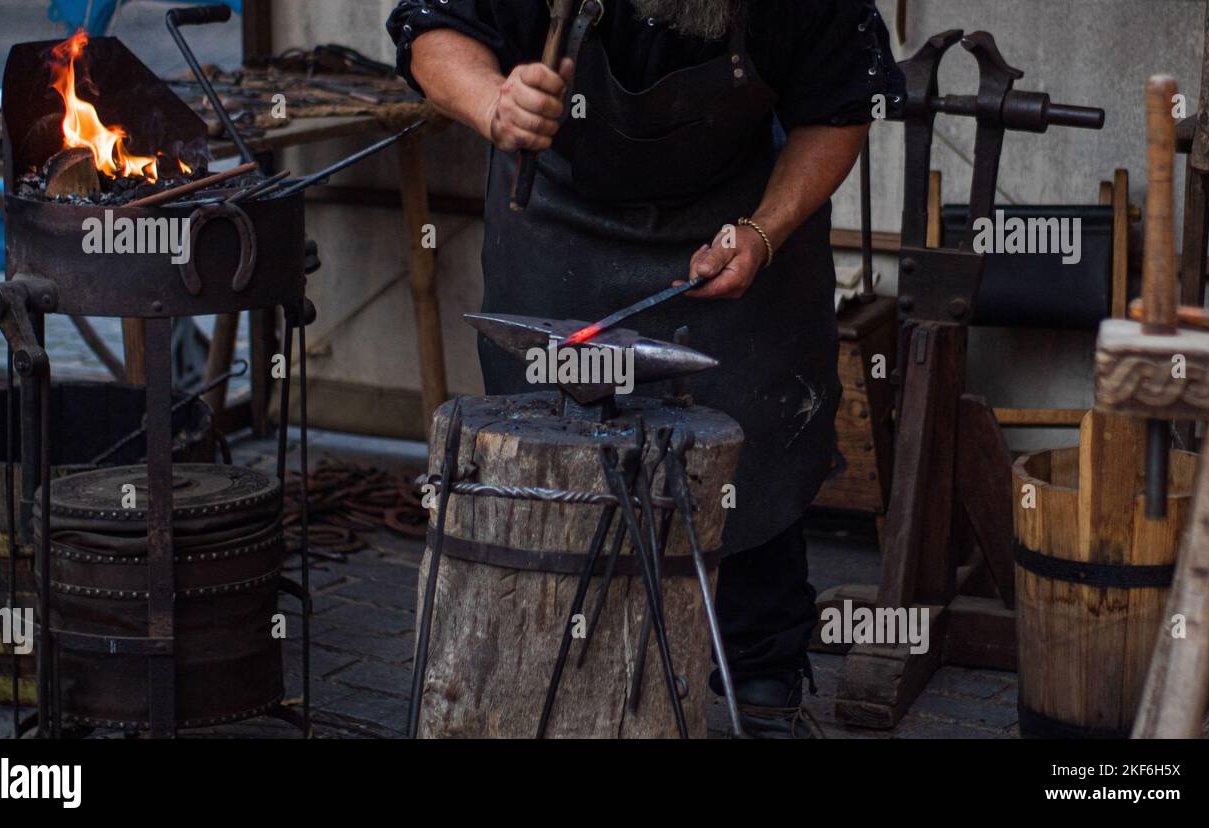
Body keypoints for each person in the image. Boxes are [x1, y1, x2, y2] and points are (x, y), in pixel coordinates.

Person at [388, 0, 905, 735]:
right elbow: (431, 30)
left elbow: (841, 105)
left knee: (751, 449)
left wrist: (765, 230)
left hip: (733, 225)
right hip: (559, 222)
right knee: (555, 461)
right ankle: (553, 678)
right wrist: (492, 104)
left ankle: (762, 684)